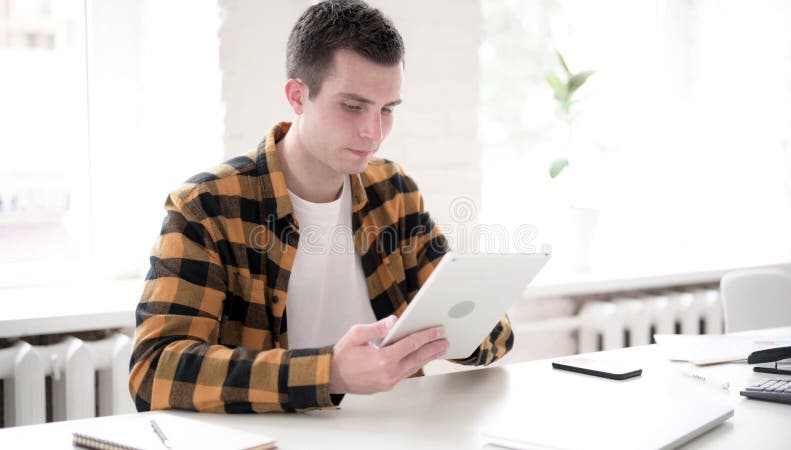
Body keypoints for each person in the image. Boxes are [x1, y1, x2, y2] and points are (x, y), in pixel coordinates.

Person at [129, 0, 513, 413]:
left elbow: (496, 334)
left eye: (387, 109)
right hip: (273, 438)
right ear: (298, 96)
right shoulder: (205, 207)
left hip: (392, 433)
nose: (373, 132)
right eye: (353, 106)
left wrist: (463, 326)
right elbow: (153, 372)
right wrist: (328, 373)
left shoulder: (393, 191)